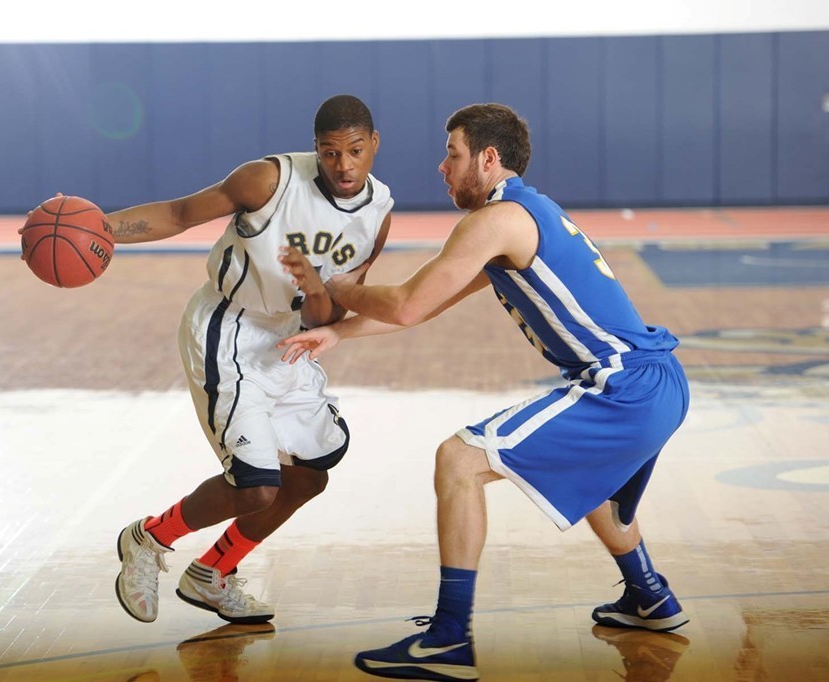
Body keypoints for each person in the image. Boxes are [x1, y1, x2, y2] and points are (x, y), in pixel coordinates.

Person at [278, 103, 690, 682]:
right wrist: (338, 332)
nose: (442, 167)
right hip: (658, 380)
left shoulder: (496, 221)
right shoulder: (523, 212)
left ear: (488, 158)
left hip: (624, 385)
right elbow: (429, 303)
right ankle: (650, 596)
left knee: (459, 460)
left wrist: (335, 285)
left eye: (453, 154)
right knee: (596, 486)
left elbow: (405, 303)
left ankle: (449, 639)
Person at [102, 94, 393, 625]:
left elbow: (327, 315)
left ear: (374, 144)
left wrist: (315, 288)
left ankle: (212, 571)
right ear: (316, 150)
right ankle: (148, 538)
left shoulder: (378, 214)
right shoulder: (268, 181)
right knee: (256, 487)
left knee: (308, 477)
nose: (343, 165)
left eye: (355, 151)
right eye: (330, 153)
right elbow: (178, 214)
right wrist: (99, 228)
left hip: (287, 337)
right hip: (227, 329)